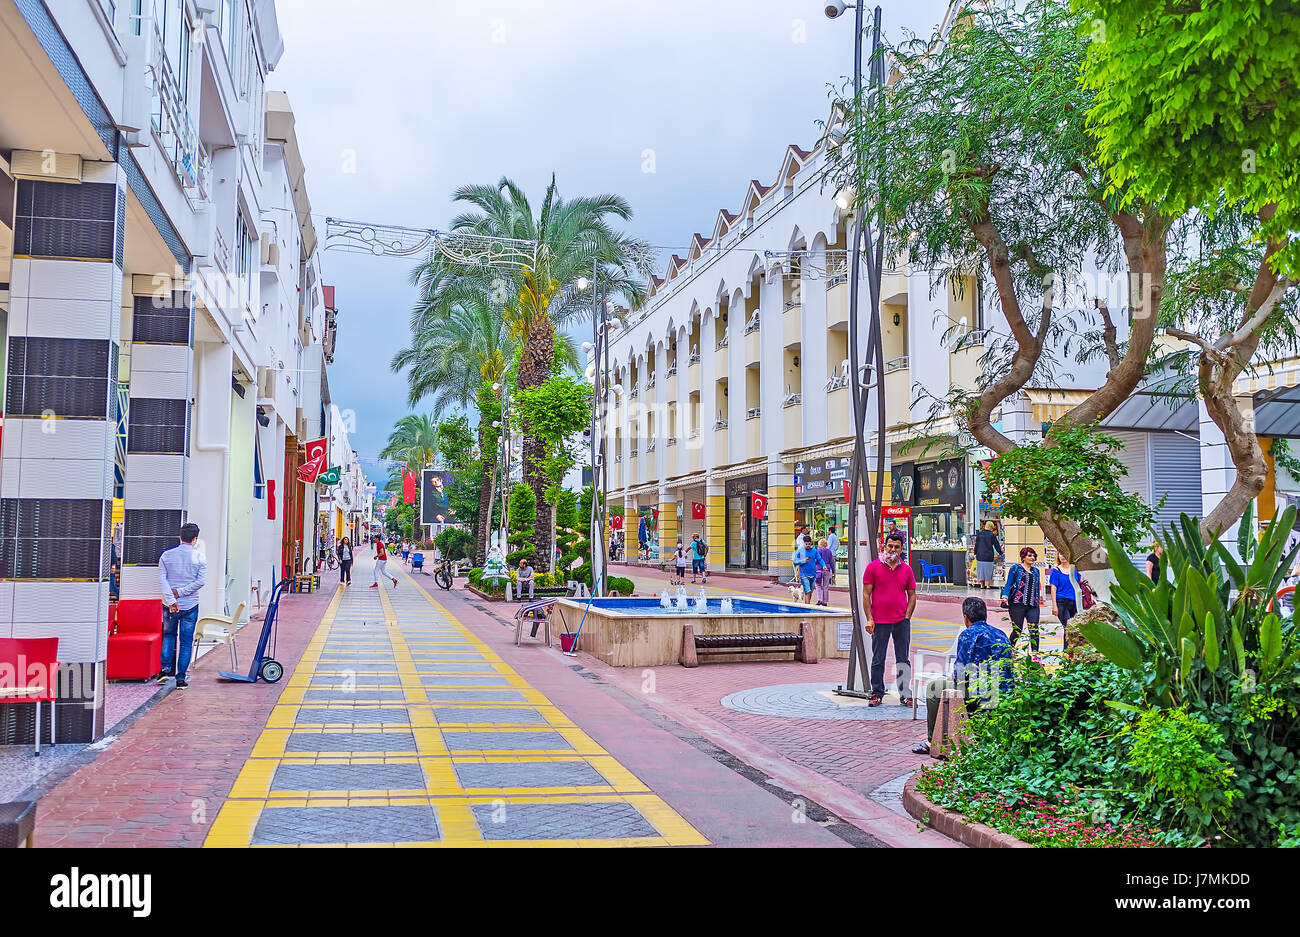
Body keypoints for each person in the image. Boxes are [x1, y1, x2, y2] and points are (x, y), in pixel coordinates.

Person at [912, 596, 1013, 755]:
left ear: (965, 618)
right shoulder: (1001, 634)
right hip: (1003, 690)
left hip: (979, 691)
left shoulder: (968, 634)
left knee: (934, 688)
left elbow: (961, 670)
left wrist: (952, 679)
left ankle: (932, 740)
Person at [862, 531, 918, 707]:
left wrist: (907, 617)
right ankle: (877, 693)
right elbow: (866, 594)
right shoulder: (873, 567)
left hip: (901, 621)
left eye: (896, 547)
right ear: (884, 547)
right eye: (890, 546)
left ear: (902, 549)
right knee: (878, 658)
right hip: (880, 621)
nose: (893, 549)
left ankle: (904, 694)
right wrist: (870, 619)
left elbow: (912, 594)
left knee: (903, 658)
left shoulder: (907, 569)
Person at [157, 522, 207, 689]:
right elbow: (201, 581)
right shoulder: (200, 557)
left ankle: (164, 670)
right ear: (195, 539)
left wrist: (171, 599)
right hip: (190, 605)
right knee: (186, 641)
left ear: (180, 537)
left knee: (169, 635)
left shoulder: (166, 556)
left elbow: (162, 580)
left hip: (169, 605)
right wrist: (182, 592)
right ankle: (180, 678)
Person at [1001, 546, 1042, 653]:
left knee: (1034, 630)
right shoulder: (1015, 568)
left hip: (1033, 605)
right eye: (1029, 555)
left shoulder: (1036, 571)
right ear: (1023, 557)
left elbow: (1037, 587)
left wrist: (1038, 600)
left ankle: (1035, 655)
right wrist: (1005, 596)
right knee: (1017, 630)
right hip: (1017, 604)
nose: (1032, 557)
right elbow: (1009, 584)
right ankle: (1011, 651)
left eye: (1034, 556)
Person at [1048, 554, 1078, 634]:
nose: (1062, 556)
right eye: (1060, 554)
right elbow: (1053, 589)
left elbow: (1082, 584)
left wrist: (1091, 596)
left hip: (1075, 602)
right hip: (1061, 602)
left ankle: (1071, 647)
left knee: (1074, 629)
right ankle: (1067, 647)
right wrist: (1054, 606)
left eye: (1064, 553)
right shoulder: (1055, 571)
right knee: (1068, 627)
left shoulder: (1075, 570)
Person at [794, 534, 828, 604]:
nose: (808, 545)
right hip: (804, 574)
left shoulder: (814, 551)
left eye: (809, 544)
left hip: (813, 574)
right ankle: (807, 608)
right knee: (807, 591)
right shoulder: (800, 550)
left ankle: (807, 605)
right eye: (806, 544)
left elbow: (819, 559)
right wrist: (803, 561)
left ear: (811, 543)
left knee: (811, 592)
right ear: (804, 543)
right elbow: (795, 562)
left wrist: (824, 565)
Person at [973, 521, 1003, 589]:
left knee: (980, 571)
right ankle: (988, 585)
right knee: (988, 571)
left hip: (980, 555)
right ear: (991, 527)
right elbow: (996, 545)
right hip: (988, 556)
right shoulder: (992, 535)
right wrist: (1001, 553)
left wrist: (975, 553)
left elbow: (976, 545)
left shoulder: (980, 534)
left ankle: (981, 585)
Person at [815, 537, 836, 606]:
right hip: (827, 569)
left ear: (820, 544)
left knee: (818, 585)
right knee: (825, 586)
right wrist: (833, 571)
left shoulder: (818, 551)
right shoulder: (829, 551)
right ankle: (825, 601)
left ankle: (819, 599)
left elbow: (816, 560)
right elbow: (831, 562)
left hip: (819, 569)